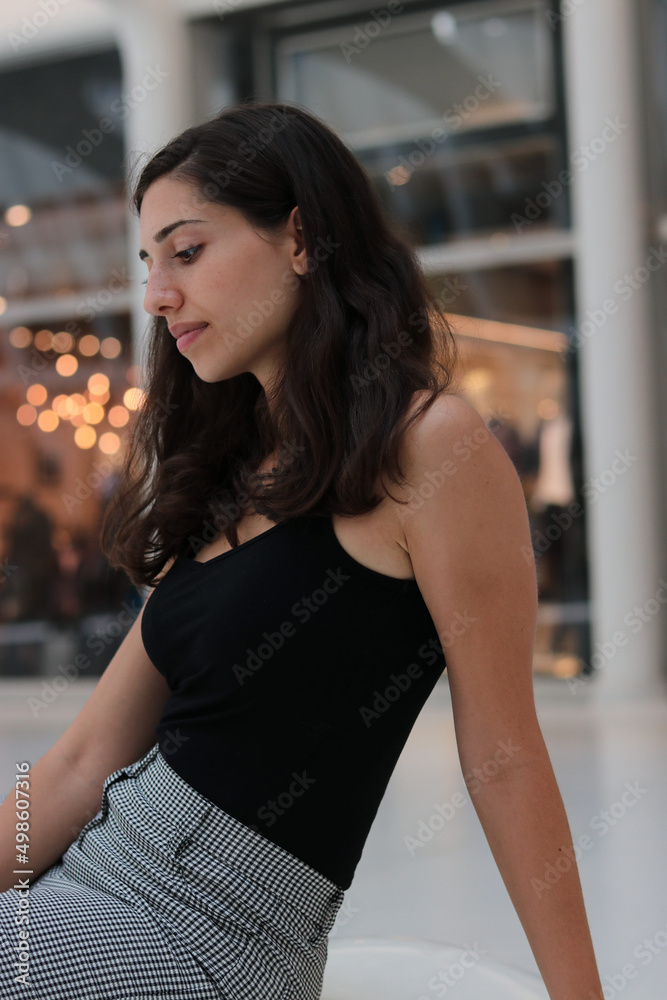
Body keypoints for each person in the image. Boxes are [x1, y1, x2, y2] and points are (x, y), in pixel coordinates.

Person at [0, 101, 603, 1000]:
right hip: (86, 898)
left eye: (188, 251)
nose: (158, 294)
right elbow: (84, 760)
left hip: (198, 944)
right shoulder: (229, 477)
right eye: (148, 264)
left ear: (301, 238)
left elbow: (502, 751)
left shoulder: (430, 447)